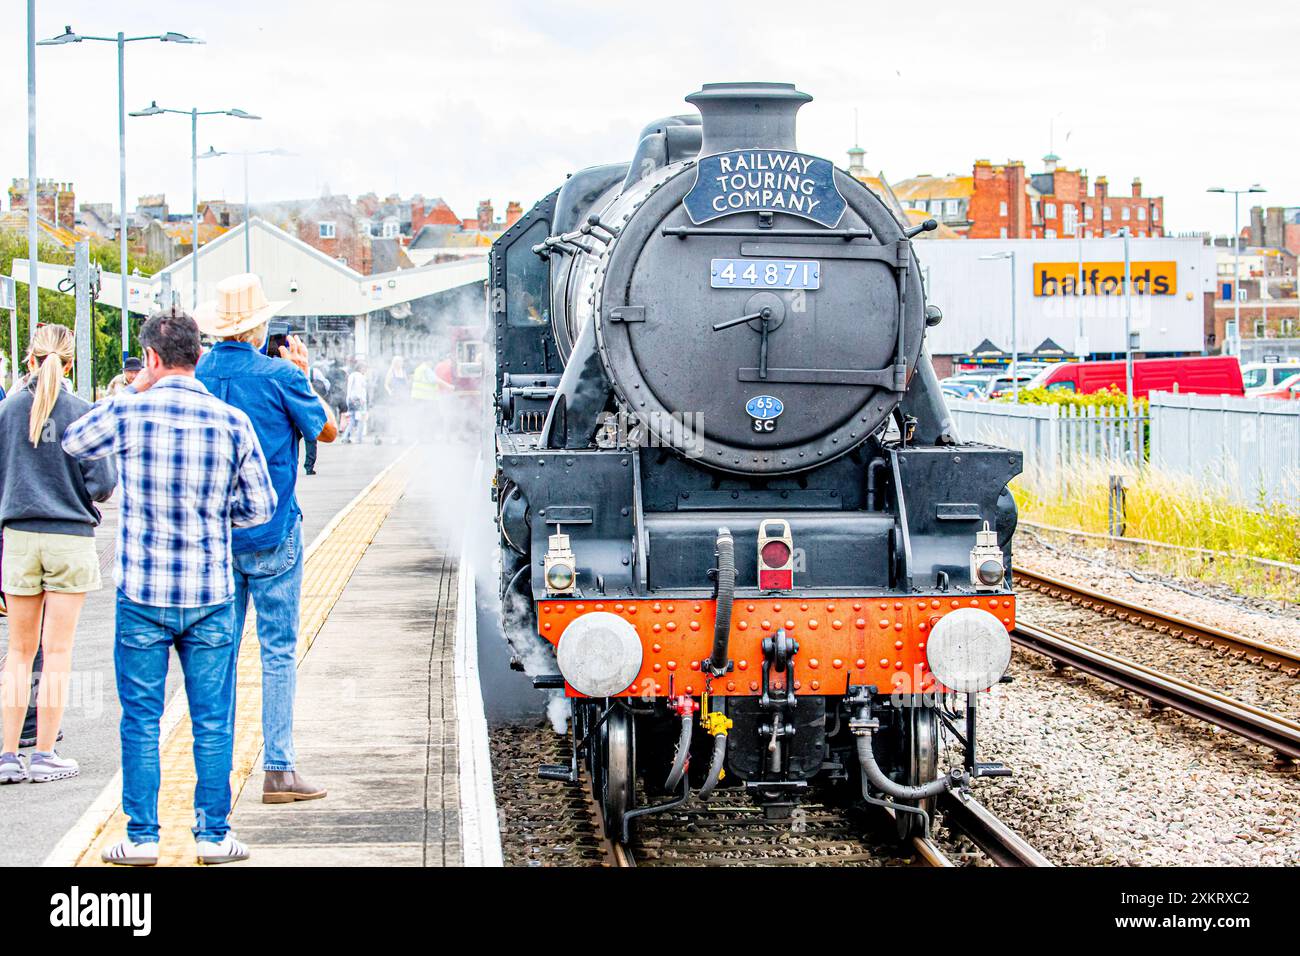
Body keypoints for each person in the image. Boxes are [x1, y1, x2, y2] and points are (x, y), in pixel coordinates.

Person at [64, 309, 276, 865]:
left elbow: (72, 440)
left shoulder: (131, 412)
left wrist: (135, 386)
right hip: (209, 594)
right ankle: (212, 835)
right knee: (211, 720)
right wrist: (214, 517)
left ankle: (140, 838)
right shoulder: (231, 421)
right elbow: (260, 507)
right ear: (199, 356)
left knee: (141, 718)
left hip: (142, 596)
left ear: (152, 358)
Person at [194, 273, 337, 805]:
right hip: (272, 531)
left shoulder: (199, 372)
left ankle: (217, 771)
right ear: (259, 326)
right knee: (276, 652)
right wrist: (304, 373)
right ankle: (278, 770)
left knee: (219, 652)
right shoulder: (280, 374)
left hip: (212, 536)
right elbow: (327, 430)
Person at [0, 325, 117, 785]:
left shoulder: (6, 411)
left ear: (30, 360)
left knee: (18, 651)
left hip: (20, 536)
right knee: (59, 650)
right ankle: (46, 753)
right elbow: (104, 484)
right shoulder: (82, 412)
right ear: (68, 365)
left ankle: (8, 755)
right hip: (70, 538)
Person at [303, 363, 332, 475]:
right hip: (310, 408)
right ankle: (309, 467)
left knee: (293, 439)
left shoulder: (288, 369)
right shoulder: (313, 372)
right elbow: (326, 384)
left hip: (293, 408)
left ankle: (293, 464)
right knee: (310, 438)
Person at [340, 359, 369, 444]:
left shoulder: (351, 375)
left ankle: (345, 437)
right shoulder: (360, 376)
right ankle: (358, 438)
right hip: (359, 400)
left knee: (352, 420)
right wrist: (361, 399)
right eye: (365, 368)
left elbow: (349, 389)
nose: (365, 370)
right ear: (361, 368)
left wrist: (348, 400)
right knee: (361, 419)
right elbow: (359, 389)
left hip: (350, 400)